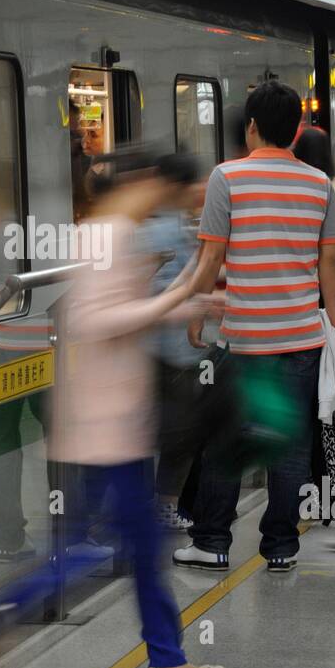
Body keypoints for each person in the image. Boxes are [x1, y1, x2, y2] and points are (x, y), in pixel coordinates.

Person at [46, 146, 225, 668]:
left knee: (131, 549)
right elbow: (97, 321)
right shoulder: (108, 236)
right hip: (105, 424)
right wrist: (181, 295)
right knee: (130, 550)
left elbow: (129, 313)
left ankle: (168, 659)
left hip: (115, 420)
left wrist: (189, 303)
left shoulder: (113, 231)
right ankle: (167, 660)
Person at [174, 80, 335, 574]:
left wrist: (197, 310)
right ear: (296, 130)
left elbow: (212, 256)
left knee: (228, 438)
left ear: (251, 126)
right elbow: (327, 262)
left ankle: (212, 541)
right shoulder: (319, 184)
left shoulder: (226, 177)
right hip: (301, 336)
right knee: (291, 445)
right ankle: (282, 546)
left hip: (245, 337)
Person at [136, 151, 207, 529]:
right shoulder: (165, 230)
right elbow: (166, 290)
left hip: (155, 349)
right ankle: (164, 508)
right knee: (180, 434)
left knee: (161, 432)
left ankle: (156, 506)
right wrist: (202, 304)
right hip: (168, 350)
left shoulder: (156, 225)